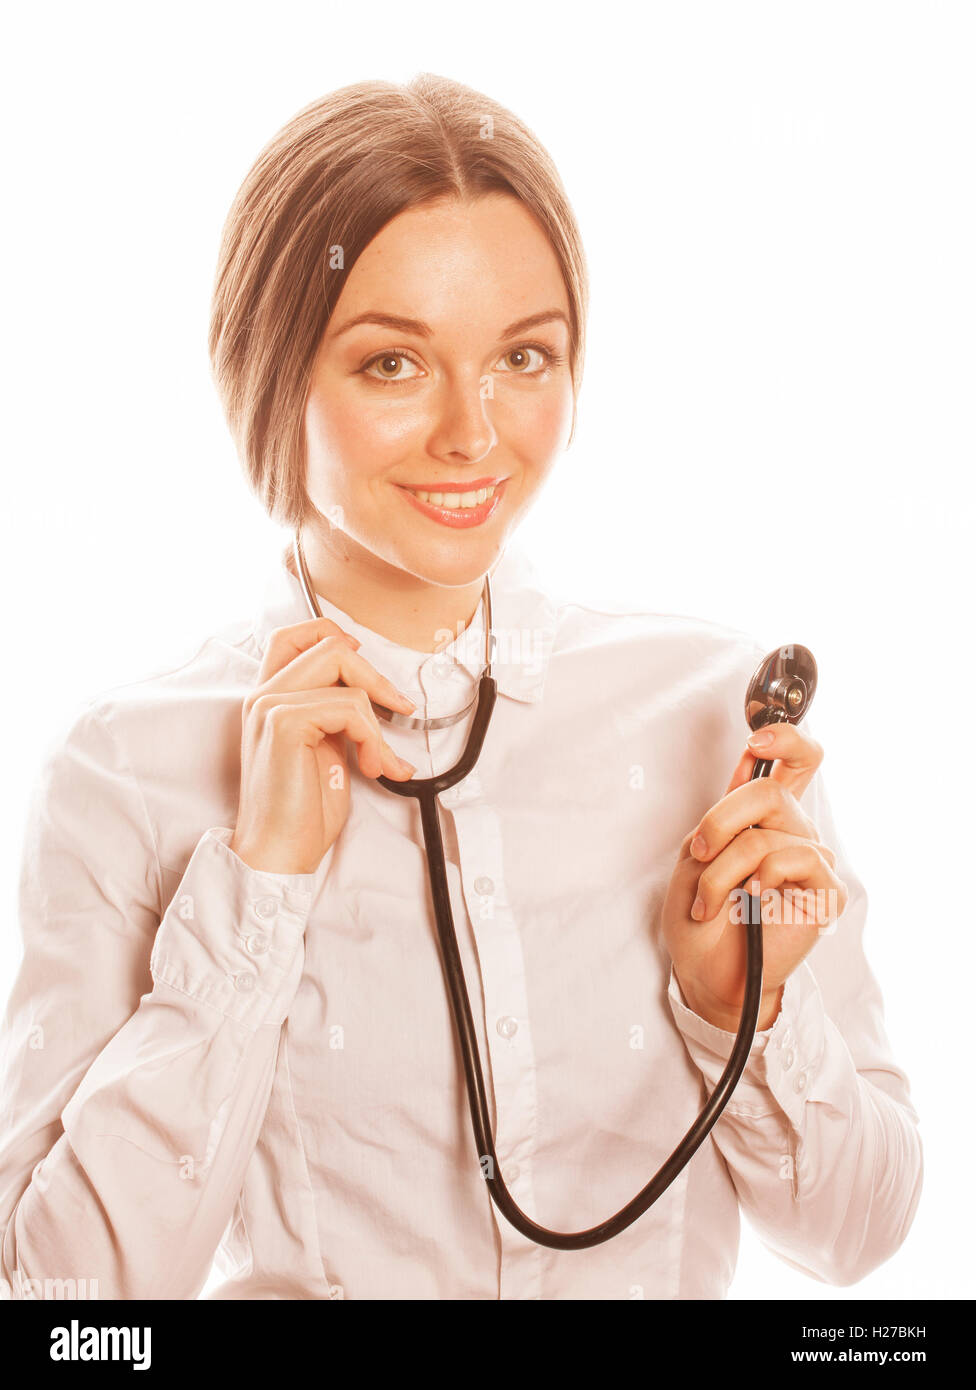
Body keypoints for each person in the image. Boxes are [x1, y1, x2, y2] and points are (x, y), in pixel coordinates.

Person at [0, 73, 922, 1301]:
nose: (472, 436)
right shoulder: (127, 770)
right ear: (273, 376)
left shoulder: (713, 714)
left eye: (522, 357)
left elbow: (860, 1233)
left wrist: (732, 1010)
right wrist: (260, 891)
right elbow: (62, 1307)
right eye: (393, 363)